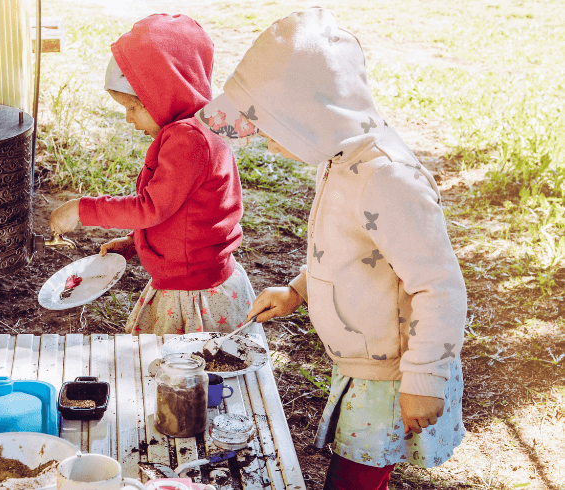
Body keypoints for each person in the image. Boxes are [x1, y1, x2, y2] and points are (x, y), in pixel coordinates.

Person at [193, 8, 467, 490]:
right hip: (366, 363)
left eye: (271, 127)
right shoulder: (340, 157)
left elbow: (439, 285)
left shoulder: (391, 181)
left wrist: (423, 379)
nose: (263, 140)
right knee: (354, 469)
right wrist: (298, 290)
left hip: (393, 372)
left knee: (355, 479)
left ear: (312, 116)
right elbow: (348, 253)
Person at [49, 13, 256, 336]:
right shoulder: (199, 126)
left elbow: (151, 207)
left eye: (133, 108)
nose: (129, 120)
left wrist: (82, 208)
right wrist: (136, 242)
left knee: (181, 372)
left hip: (192, 292)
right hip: (192, 275)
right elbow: (186, 212)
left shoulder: (188, 140)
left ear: (164, 94)